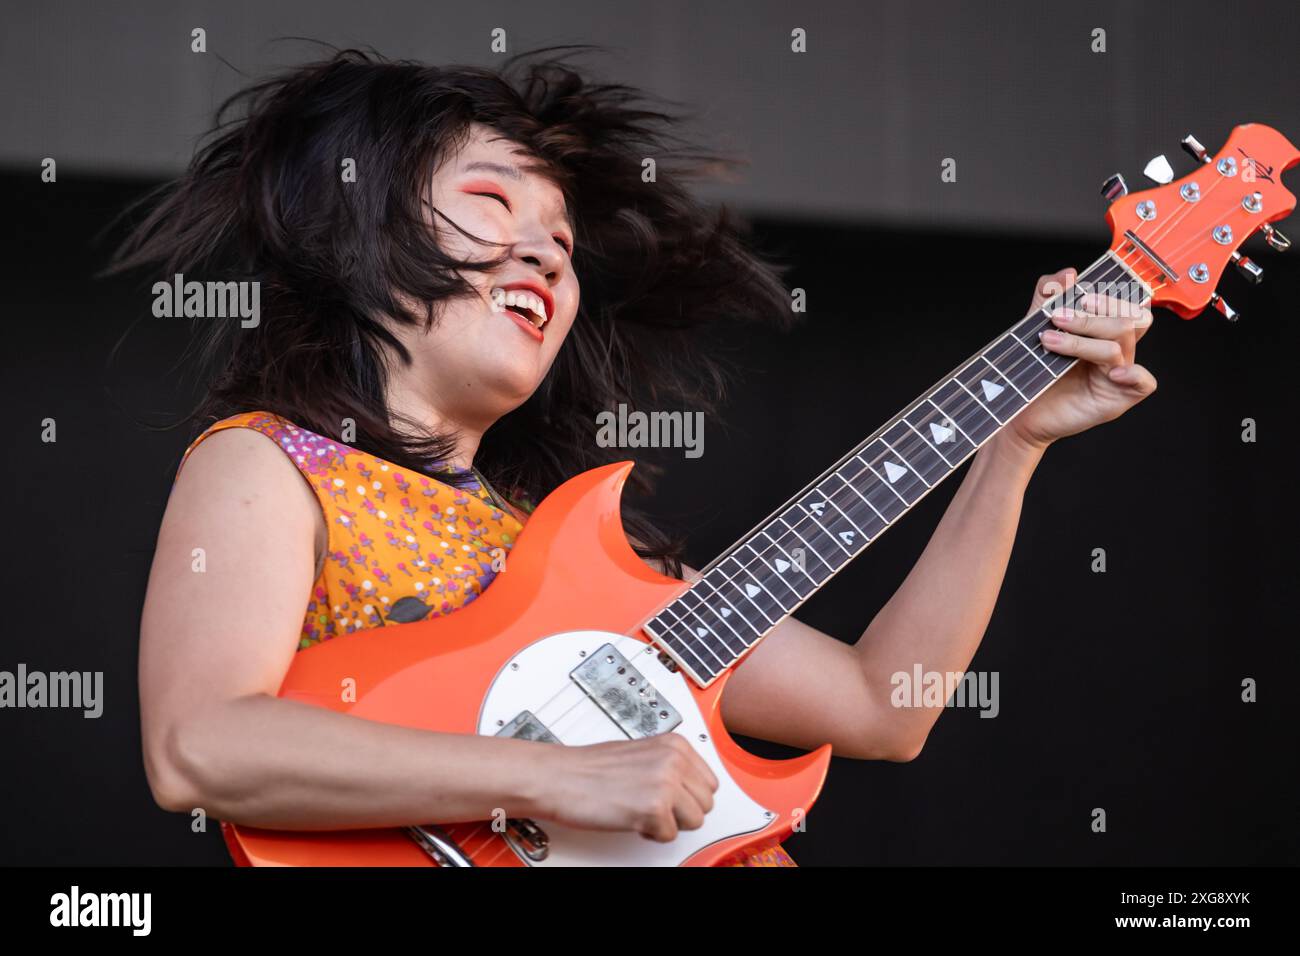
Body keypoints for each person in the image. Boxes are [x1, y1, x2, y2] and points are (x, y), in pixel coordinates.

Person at [121, 48, 1156, 867]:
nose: (544, 249)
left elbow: (884, 703)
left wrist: (1012, 440)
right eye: (493, 202)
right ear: (354, 228)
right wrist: (553, 777)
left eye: (564, 242)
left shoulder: (574, 556)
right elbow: (200, 744)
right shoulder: (269, 462)